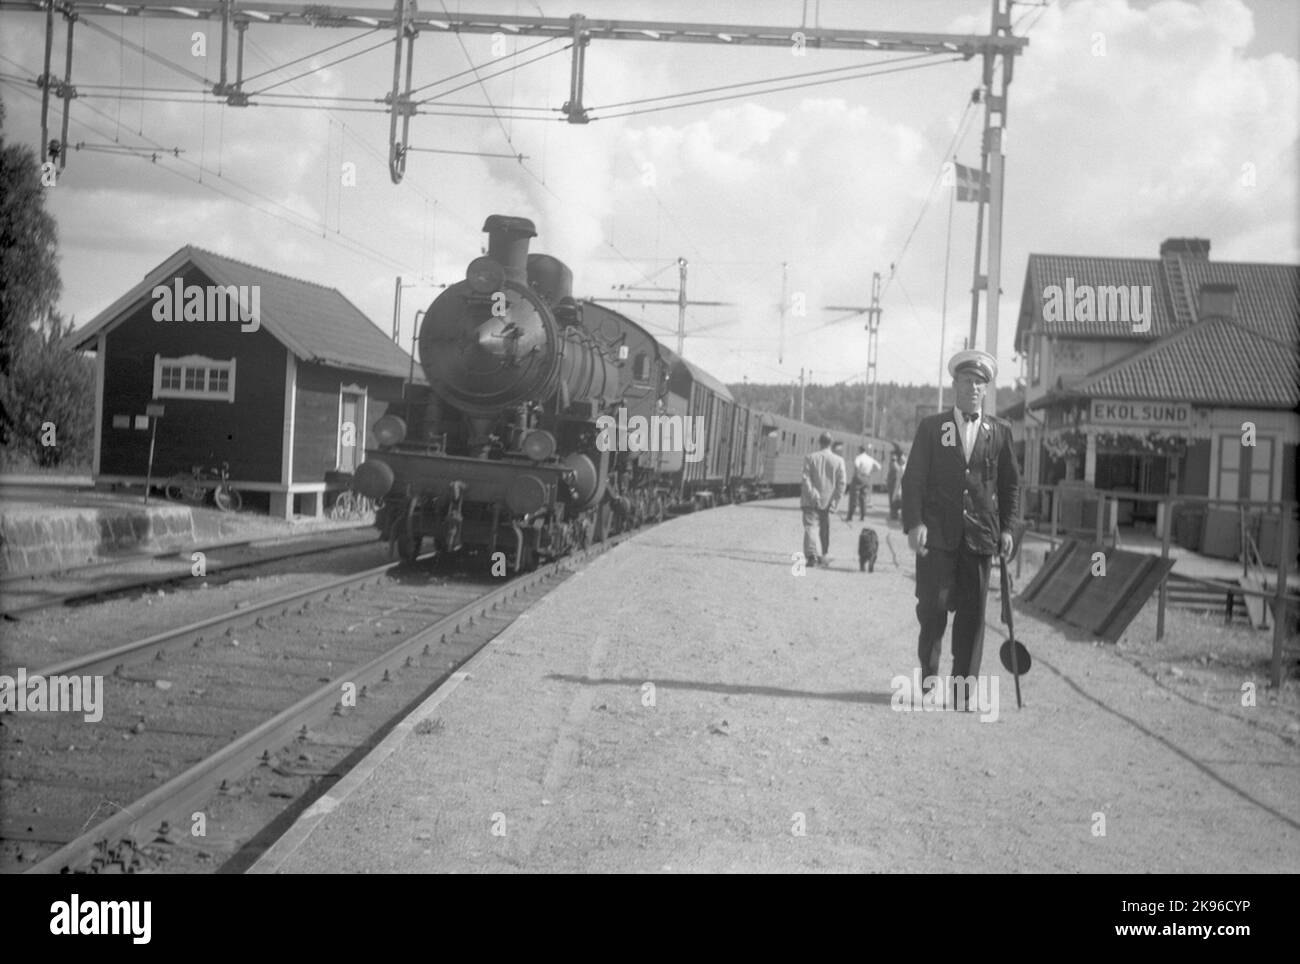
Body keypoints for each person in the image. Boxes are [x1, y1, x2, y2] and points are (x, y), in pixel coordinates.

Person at [901, 349, 1020, 709]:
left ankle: (962, 691)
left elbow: (1011, 485)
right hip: (937, 538)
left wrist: (1009, 528)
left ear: (986, 391)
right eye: (967, 381)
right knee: (932, 610)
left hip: (981, 539)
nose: (973, 389)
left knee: (972, 616)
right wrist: (915, 523)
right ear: (954, 385)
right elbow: (913, 480)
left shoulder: (1000, 432)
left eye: (980, 384)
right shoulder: (933, 428)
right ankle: (929, 674)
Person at [801, 431, 846, 568]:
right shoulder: (839, 461)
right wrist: (835, 502)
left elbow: (806, 479)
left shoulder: (810, 457)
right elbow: (841, 484)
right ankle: (823, 555)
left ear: (819, 442)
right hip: (827, 501)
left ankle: (812, 556)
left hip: (811, 500)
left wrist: (813, 493)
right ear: (830, 444)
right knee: (824, 529)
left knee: (810, 527)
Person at [845, 445, 881, 521]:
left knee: (853, 497)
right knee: (863, 498)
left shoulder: (858, 458)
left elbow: (856, 466)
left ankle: (850, 516)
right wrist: (871, 472)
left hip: (859, 477)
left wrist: (856, 474)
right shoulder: (870, 458)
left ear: (859, 450)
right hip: (867, 478)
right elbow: (879, 467)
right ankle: (862, 516)